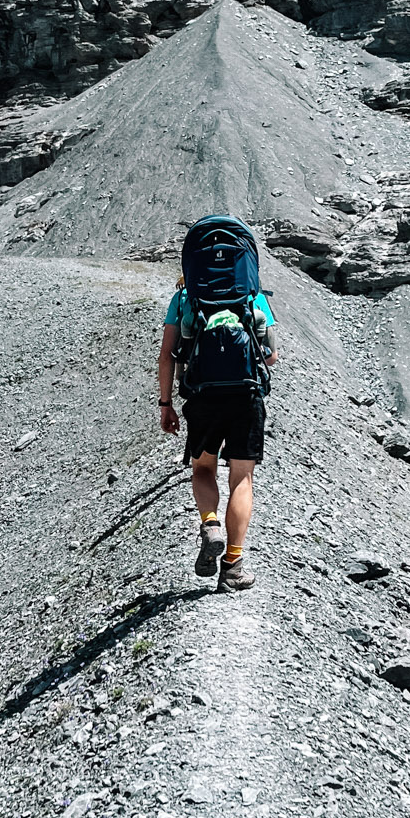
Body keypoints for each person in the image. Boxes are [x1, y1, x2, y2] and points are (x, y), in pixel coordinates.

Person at [157, 216, 277, 593]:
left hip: (202, 395)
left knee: (203, 468)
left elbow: (167, 356)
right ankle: (233, 565)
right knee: (241, 477)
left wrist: (165, 404)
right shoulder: (253, 296)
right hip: (246, 394)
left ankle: (209, 523)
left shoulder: (185, 297)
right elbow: (271, 355)